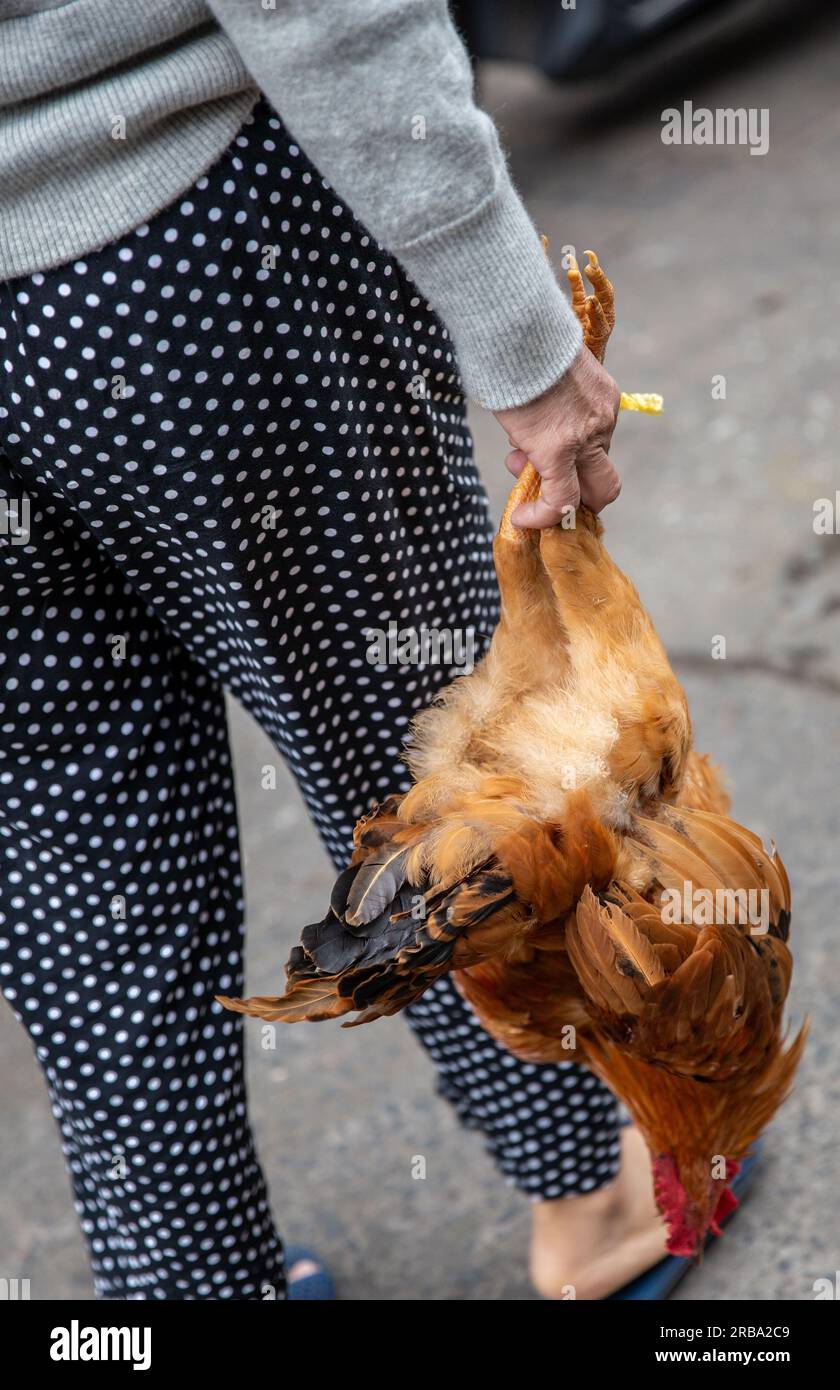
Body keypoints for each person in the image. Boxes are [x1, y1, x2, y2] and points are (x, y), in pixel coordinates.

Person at [0, 0, 663, 1300]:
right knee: (421, 751)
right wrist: (522, 335)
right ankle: (591, 1199)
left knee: (76, 856)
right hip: (181, 245)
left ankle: (191, 1287)